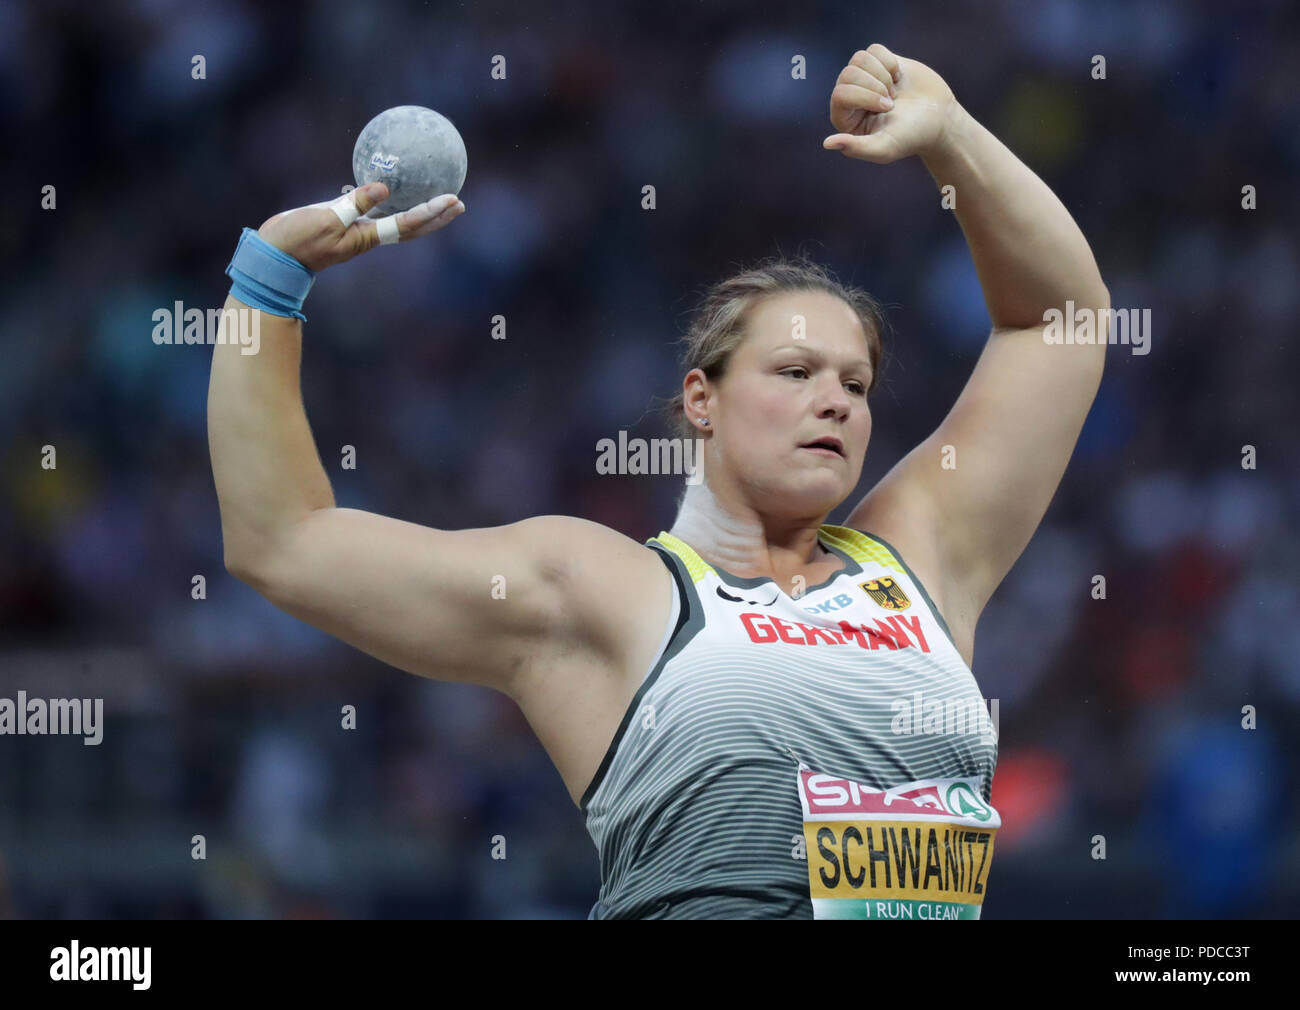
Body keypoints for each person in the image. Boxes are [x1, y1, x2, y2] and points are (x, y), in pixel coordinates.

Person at [208, 42, 1109, 919]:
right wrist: (268, 283)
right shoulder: (603, 591)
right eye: (795, 373)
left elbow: (1060, 324)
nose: (835, 401)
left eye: (857, 384)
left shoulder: (921, 556)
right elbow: (283, 541)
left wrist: (951, 133)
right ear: (701, 400)